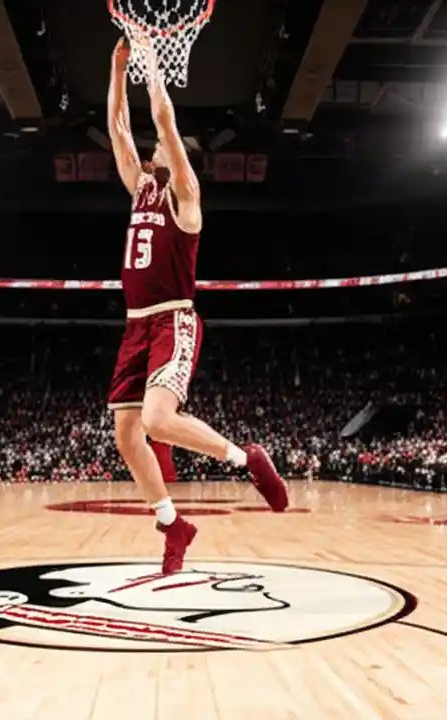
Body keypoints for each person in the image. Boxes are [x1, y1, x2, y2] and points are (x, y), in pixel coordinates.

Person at [105, 37, 288, 575]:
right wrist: (117, 70)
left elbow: (162, 120)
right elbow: (118, 128)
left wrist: (151, 62)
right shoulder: (139, 187)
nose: (156, 149)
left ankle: (246, 459)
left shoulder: (186, 197)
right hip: (134, 326)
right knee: (126, 435)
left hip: (172, 319)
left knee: (159, 420)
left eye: (165, 148)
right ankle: (172, 524)